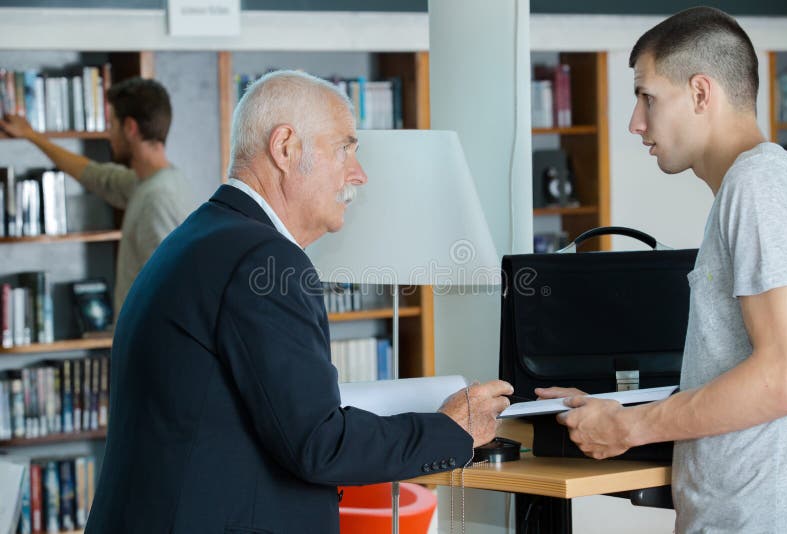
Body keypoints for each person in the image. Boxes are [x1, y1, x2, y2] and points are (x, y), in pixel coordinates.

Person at [84, 70, 513, 534]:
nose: (359, 174)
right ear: (285, 148)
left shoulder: (204, 237)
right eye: (344, 148)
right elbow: (318, 443)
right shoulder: (263, 258)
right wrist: (451, 428)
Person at [536, 6, 787, 533]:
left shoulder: (755, 188)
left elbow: (785, 377)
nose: (635, 122)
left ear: (701, 93)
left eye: (647, 97)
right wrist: (615, 411)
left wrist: (631, 426)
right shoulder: (771, 182)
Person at [0, 77, 191, 318]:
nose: (109, 135)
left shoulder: (158, 198)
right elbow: (93, 175)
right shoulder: (145, 184)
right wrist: (32, 136)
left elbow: (174, 289)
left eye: (111, 125)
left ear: (130, 128)